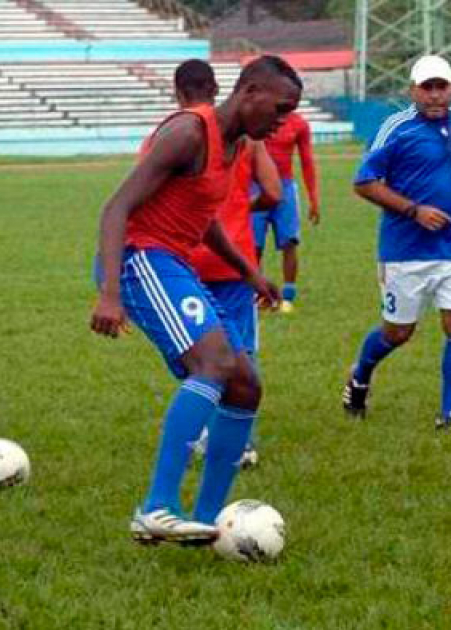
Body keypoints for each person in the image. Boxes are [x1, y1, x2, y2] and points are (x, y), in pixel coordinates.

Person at [91, 55, 299, 545]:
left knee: (246, 384)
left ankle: (206, 520)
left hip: (173, 263)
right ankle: (156, 506)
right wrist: (109, 294)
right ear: (249, 92)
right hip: (139, 259)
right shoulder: (189, 132)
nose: (283, 121)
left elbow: (201, 216)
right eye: (280, 108)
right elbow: (116, 206)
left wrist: (249, 271)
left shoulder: (236, 143)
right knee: (215, 362)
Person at [342, 55, 451, 433]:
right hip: (405, 252)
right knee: (398, 333)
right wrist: (414, 211)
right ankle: (360, 376)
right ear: (412, 91)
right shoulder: (396, 128)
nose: (435, 95)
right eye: (426, 88)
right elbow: (364, 182)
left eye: (441, 87)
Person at [170, 60, 283, 469]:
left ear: (178, 92)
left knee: (194, 350)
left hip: (183, 257)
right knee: (240, 349)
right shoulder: (248, 139)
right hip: (232, 257)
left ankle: (204, 431)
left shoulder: (176, 133)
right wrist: (240, 209)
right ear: (219, 89)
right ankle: (241, 441)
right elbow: (273, 192)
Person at [254, 110, 320, 313]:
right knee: (254, 246)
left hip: (285, 188)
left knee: (290, 242)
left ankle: (288, 297)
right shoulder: (257, 119)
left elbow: (307, 160)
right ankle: (259, 294)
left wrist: (313, 198)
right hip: (255, 185)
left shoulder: (299, 123)